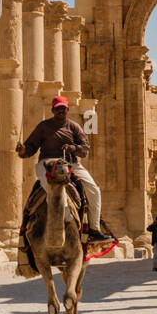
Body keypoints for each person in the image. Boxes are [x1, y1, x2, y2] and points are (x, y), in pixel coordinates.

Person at [16, 95, 109, 243]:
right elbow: (31, 148)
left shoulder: (74, 127)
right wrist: (22, 151)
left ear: (67, 110)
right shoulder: (43, 127)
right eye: (58, 109)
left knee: (94, 190)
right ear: (53, 110)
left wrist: (72, 148)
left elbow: (84, 150)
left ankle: (94, 229)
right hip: (47, 163)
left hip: (70, 163)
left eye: (63, 109)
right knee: (49, 188)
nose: (61, 111)